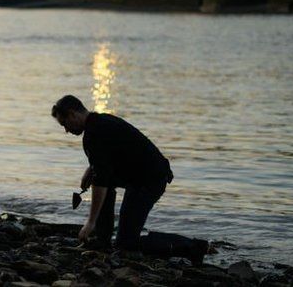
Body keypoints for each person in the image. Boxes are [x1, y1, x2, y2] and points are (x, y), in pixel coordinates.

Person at [52, 95, 208, 263]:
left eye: (64, 124)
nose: (66, 130)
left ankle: (194, 247)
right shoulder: (101, 121)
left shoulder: (93, 134)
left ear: (72, 114)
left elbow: (101, 181)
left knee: (126, 243)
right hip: (141, 175)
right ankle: (103, 239)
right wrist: (91, 169)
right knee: (105, 184)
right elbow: (108, 156)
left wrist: (90, 222)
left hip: (149, 180)